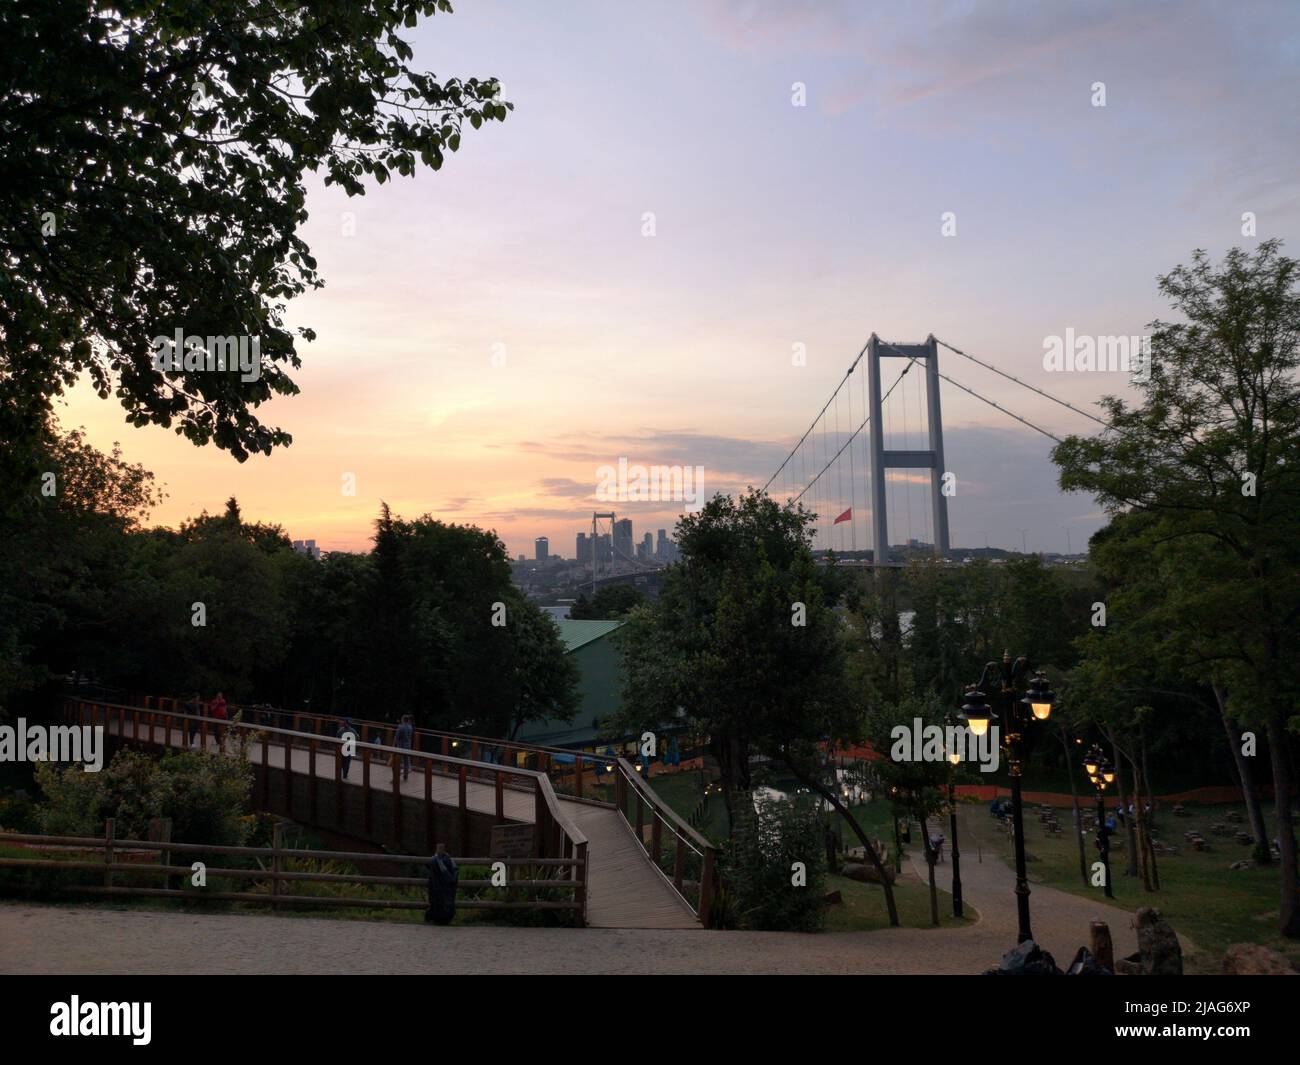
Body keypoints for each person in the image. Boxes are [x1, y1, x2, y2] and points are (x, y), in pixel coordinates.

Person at [395, 715, 414, 781]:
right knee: (406, 761)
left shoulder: (400, 727)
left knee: (398, 760)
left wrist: (396, 744)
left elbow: (397, 737)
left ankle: (396, 775)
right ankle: (405, 775)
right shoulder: (410, 727)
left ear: (403, 720)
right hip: (408, 746)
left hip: (401, 746)